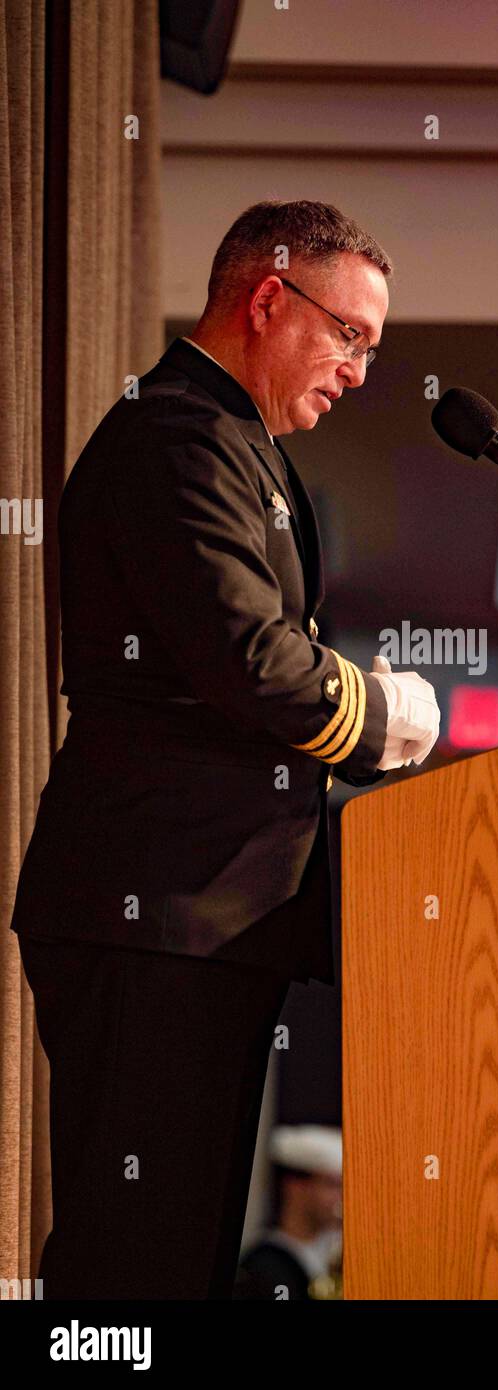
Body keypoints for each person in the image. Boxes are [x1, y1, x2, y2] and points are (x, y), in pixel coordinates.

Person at [11, 199, 440, 1300]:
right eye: (351, 335)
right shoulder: (175, 436)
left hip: (200, 915)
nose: (357, 370)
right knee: (131, 1264)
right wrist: (378, 712)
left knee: (176, 1256)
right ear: (267, 298)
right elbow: (247, 656)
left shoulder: (226, 437)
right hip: (155, 909)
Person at [233, 1125, 344, 1301]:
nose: (342, 1196)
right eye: (332, 1185)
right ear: (295, 1186)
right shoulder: (263, 1265)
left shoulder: (340, 1251)